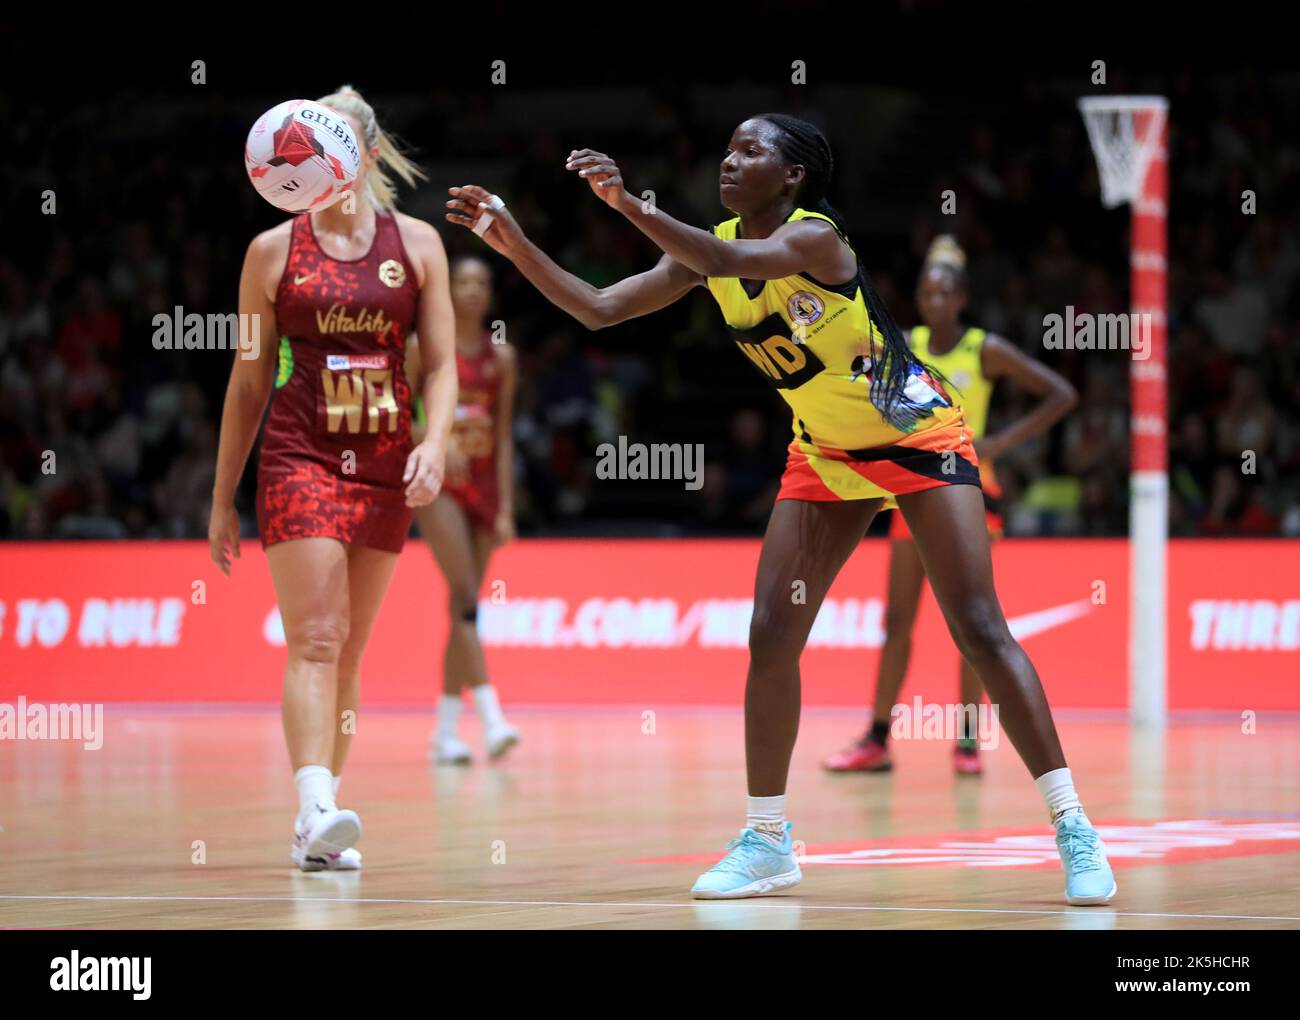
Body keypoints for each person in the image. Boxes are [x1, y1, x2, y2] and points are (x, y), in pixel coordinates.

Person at [444, 113, 1115, 905]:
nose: (730, 161)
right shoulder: (710, 248)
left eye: (750, 151)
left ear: (792, 175)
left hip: (915, 435)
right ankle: (767, 840)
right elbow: (599, 307)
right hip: (827, 451)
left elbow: (726, 255)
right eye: (726, 149)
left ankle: (1073, 825)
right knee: (769, 633)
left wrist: (627, 203)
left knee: (976, 625)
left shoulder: (816, 240)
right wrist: (516, 242)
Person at [209, 86, 456, 872]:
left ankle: (321, 821)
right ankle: (316, 805)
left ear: (368, 153)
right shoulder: (269, 253)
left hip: (384, 463)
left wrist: (437, 441)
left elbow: (445, 364)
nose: (320, 158)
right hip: (299, 456)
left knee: (351, 652)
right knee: (315, 638)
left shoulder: (417, 245)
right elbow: (248, 379)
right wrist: (222, 497)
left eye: (337, 143)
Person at [823, 235, 1078, 776]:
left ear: (960, 298)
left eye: (944, 293)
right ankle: (876, 739)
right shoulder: (903, 341)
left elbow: (1061, 394)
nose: (934, 301)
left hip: (968, 492)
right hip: (909, 487)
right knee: (897, 620)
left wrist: (996, 446)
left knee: (972, 619)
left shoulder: (983, 349)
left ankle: (966, 741)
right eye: (926, 292)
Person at [408, 255, 521, 764]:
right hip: (439, 485)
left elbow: (502, 436)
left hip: (484, 485)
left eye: (481, 283)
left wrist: (505, 509)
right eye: (463, 282)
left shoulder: (504, 358)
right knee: (465, 595)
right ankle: (493, 718)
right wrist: (430, 439)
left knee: (462, 609)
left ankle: (444, 733)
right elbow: (395, 410)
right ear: (448, 290)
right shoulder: (424, 348)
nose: (473, 291)